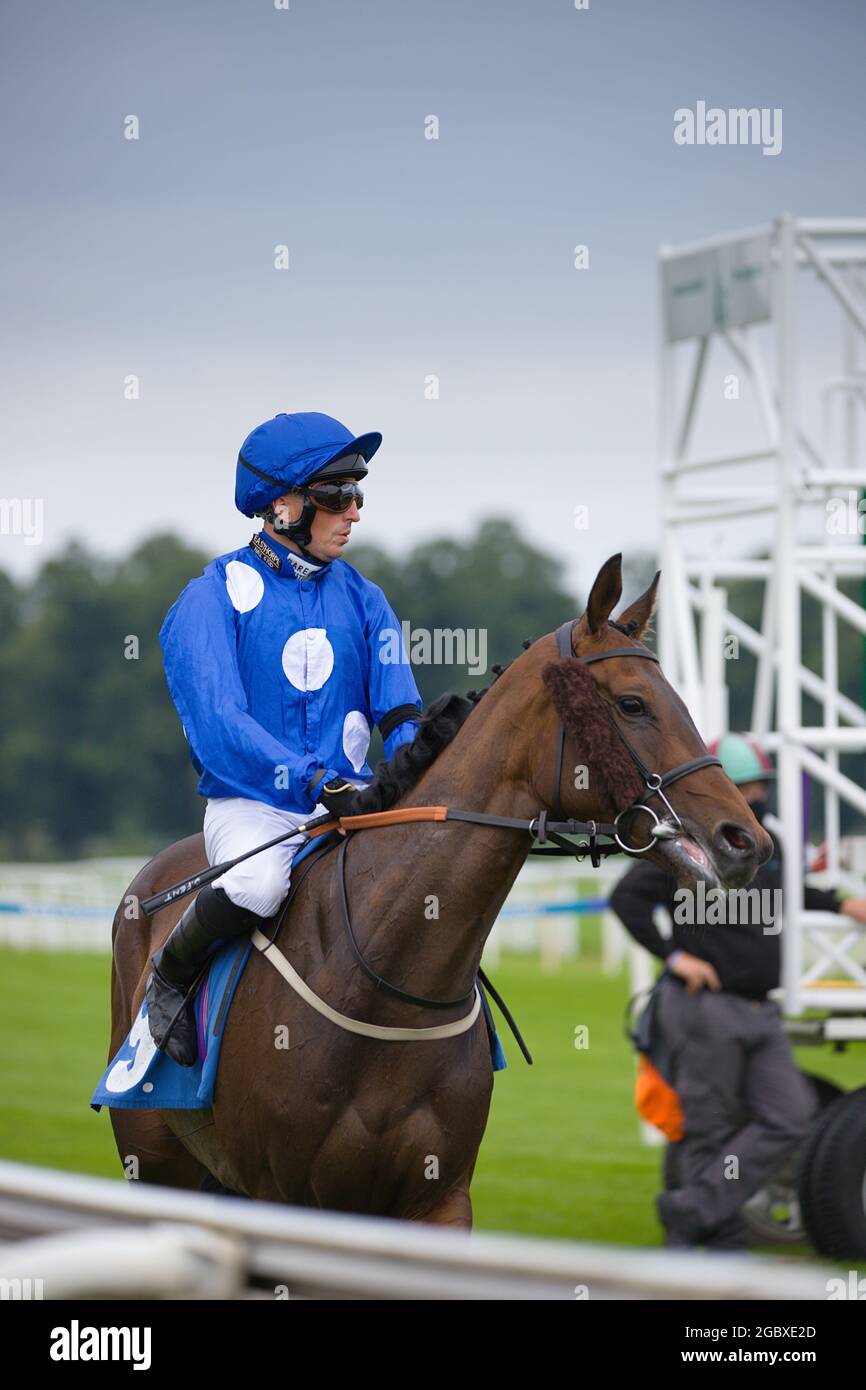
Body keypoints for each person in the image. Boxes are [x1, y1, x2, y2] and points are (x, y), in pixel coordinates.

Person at [145, 411, 423, 1066]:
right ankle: (168, 977)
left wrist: (419, 755)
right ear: (282, 506)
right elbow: (219, 727)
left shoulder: (366, 599)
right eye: (336, 496)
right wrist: (312, 780)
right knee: (258, 888)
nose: (353, 512)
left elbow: (400, 711)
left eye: (359, 494)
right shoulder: (208, 599)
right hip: (255, 808)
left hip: (347, 810)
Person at [610, 732, 866, 1249]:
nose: (754, 797)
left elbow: (791, 891)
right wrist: (676, 957)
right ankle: (707, 1243)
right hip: (706, 1011)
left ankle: (693, 1211)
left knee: (791, 1115)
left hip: (760, 1012)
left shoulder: (769, 842)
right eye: (744, 786)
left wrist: (840, 904)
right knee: (709, 1132)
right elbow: (627, 899)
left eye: (758, 787)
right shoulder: (685, 841)